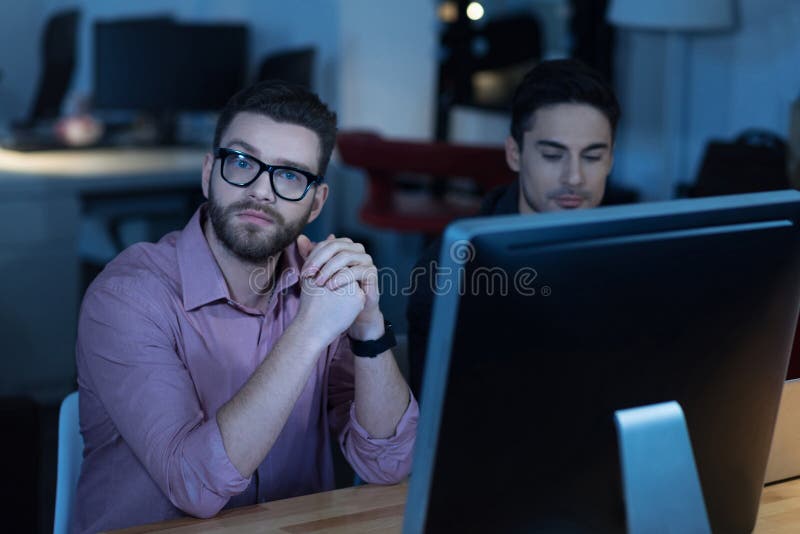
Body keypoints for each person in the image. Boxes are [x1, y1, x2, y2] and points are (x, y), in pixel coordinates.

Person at [74, 81, 418, 533]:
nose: (261, 190)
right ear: (208, 174)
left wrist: (369, 326)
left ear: (316, 203)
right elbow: (195, 486)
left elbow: (389, 463)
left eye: (290, 175)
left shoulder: (320, 287)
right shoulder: (127, 297)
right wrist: (310, 332)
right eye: (241, 162)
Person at [406, 59, 621, 397]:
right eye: (553, 155)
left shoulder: (631, 256)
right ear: (514, 154)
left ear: (610, 160)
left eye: (592, 157)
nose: (574, 178)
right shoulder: (450, 272)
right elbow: (438, 416)